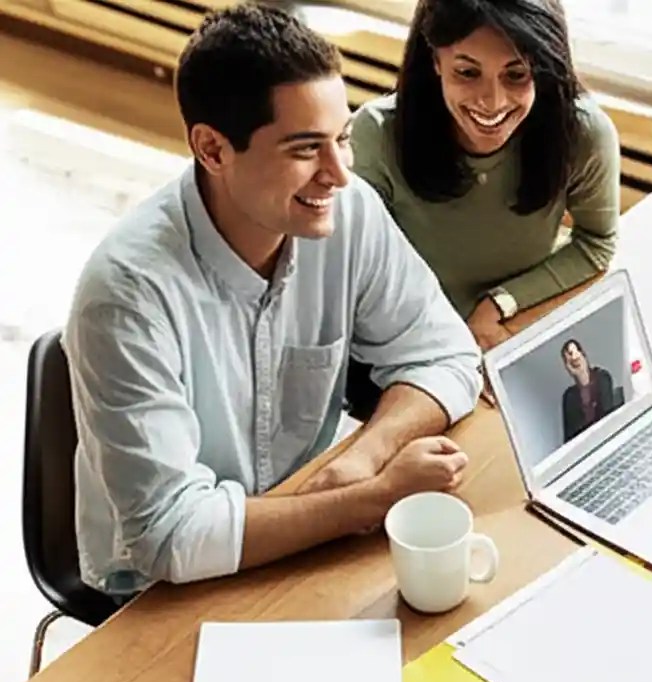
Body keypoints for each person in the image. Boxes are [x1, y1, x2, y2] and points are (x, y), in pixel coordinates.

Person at [63, 3, 482, 597]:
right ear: (212, 149)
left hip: (313, 518)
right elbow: (170, 534)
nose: (338, 174)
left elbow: (446, 356)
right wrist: (369, 496)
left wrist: (363, 459)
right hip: (168, 588)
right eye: (306, 149)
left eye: (343, 138)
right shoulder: (126, 295)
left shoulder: (348, 210)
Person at [342, 0, 621, 419]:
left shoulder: (582, 134)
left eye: (516, 74)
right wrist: (450, 351)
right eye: (467, 73)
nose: (492, 102)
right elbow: (356, 279)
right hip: (406, 354)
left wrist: (496, 306)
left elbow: (597, 242)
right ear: (435, 59)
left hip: (511, 334)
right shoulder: (376, 135)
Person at [560, 339, 621, 442]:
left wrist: (582, 375)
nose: (574, 359)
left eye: (575, 355)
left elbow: (607, 415)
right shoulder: (569, 397)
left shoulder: (602, 377)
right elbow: (570, 438)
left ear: (583, 355)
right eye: (569, 360)